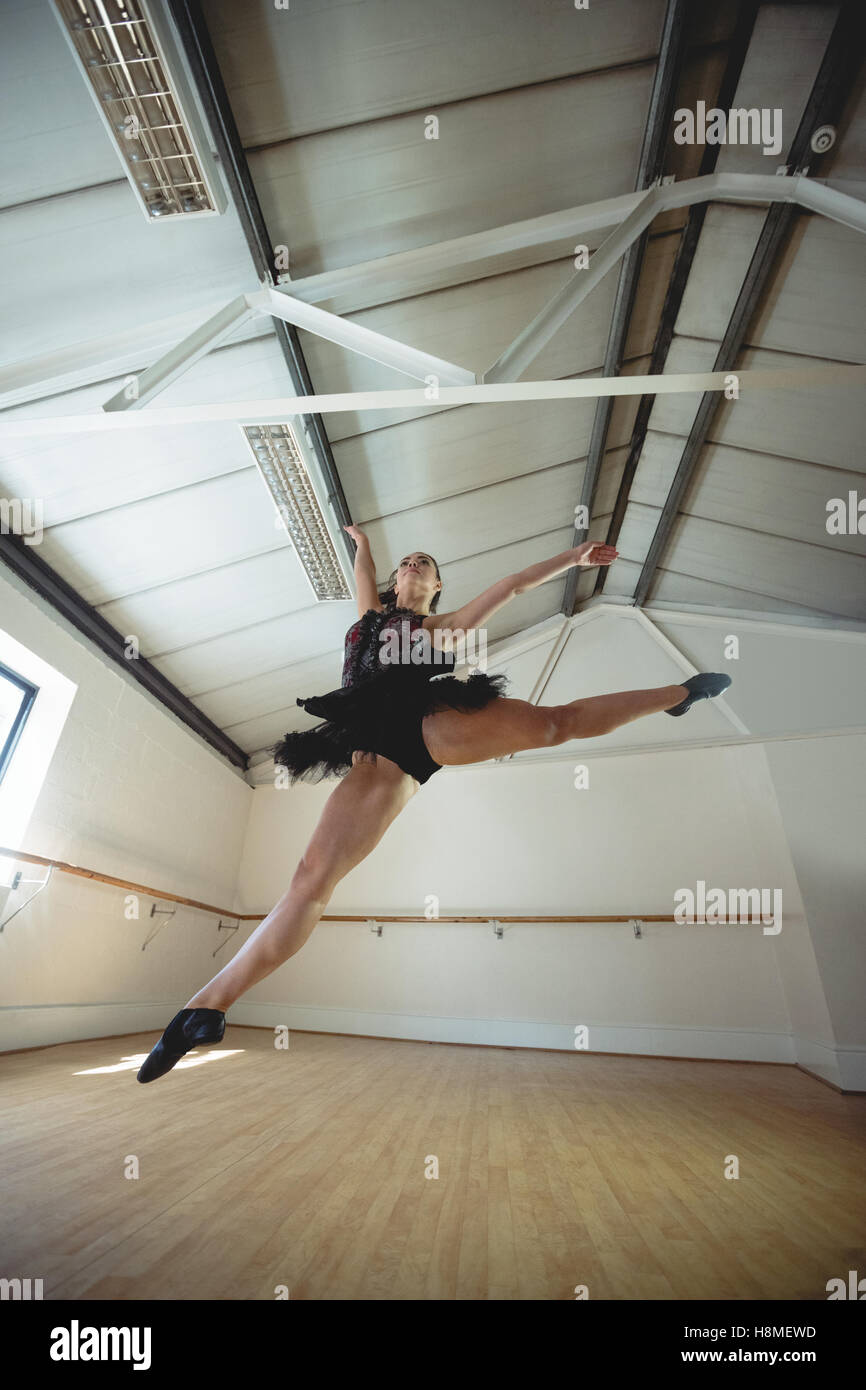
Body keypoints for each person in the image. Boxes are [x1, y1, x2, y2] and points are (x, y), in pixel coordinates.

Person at [137, 526, 730, 1082]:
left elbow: (513, 586)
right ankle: (206, 1009)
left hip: (430, 720)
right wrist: (364, 545)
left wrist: (573, 559)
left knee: (555, 726)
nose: (415, 564)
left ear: (437, 586)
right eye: (406, 562)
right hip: (376, 753)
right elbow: (362, 574)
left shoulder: (446, 626)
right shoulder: (371, 615)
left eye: (427, 564)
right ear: (395, 581)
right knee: (311, 880)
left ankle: (678, 695)